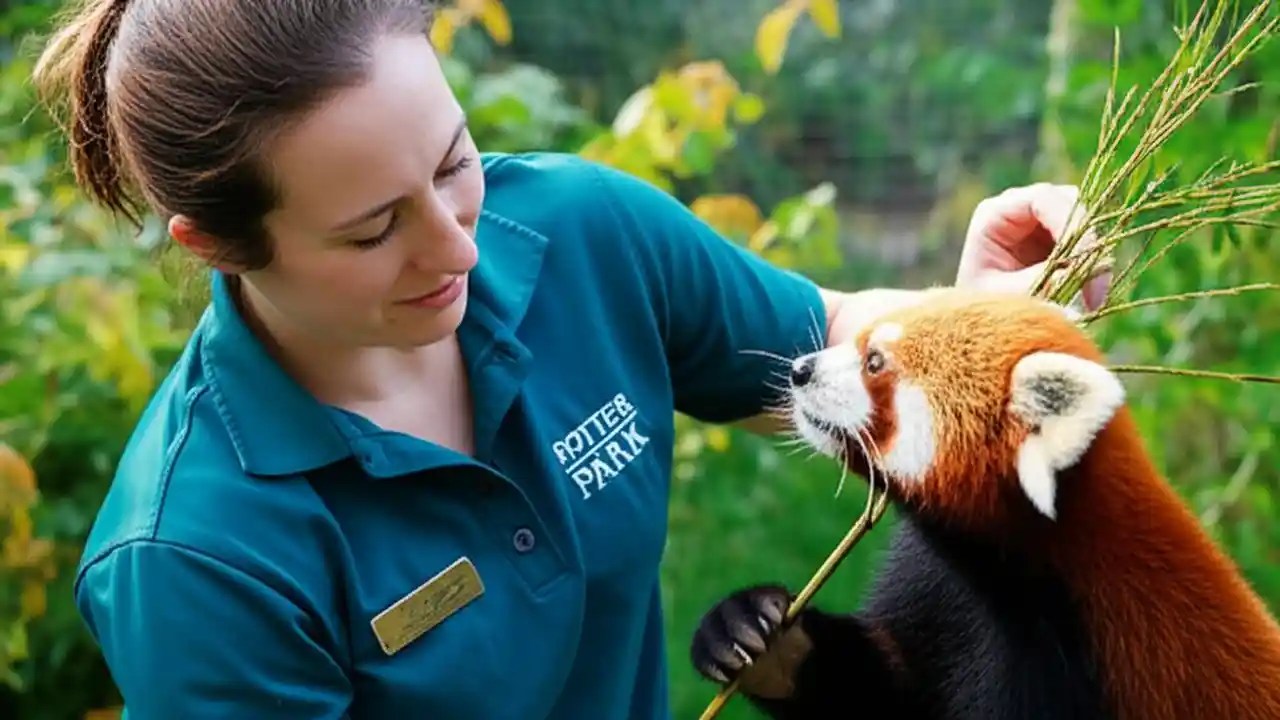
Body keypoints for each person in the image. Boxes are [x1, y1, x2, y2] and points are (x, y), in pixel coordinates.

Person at [32, 1, 1108, 718]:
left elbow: (823, 341)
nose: (458, 245)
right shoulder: (196, 560)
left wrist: (969, 320)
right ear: (219, 244)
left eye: (454, 162)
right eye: (371, 230)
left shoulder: (577, 232)